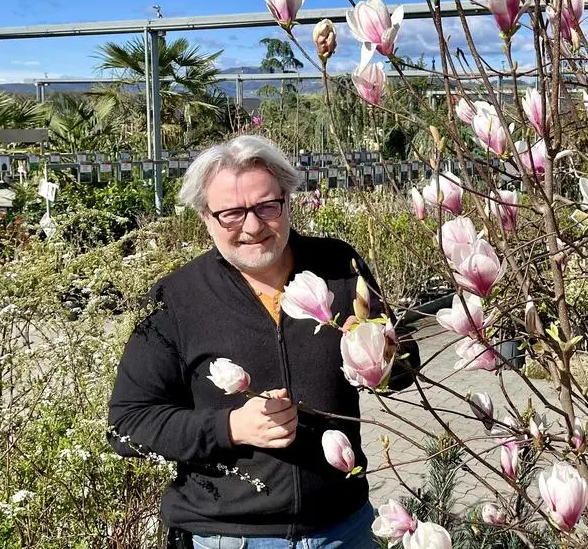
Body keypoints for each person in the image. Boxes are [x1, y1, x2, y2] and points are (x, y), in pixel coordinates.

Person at [108, 135, 420, 549]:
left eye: (266, 206)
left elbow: (397, 365)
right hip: (230, 536)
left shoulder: (337, 265)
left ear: (288, 201)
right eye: (231, 214)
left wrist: (391, 357)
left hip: (343, 528)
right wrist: (231, 427)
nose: (253, 227)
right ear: (206, 217)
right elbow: (126, 423)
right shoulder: (178, 298)